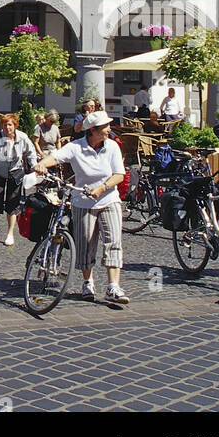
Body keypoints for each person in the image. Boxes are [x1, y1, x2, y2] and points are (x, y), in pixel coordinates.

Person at [35, 110, 129, 304]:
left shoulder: (112, 146)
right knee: (86, 243)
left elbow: (119, 175)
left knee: (113, 241)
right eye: (105, 126)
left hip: (108, 198)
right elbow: (56, 156)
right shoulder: (76, 147)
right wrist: (42, 164)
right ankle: (88, 282)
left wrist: (102, 187)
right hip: (83, 201)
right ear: (93, 130)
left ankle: (113, 287)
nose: (109, 129)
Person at [0, 112, 37, 246]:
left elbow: (31, 152)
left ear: (15, 125)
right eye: (5, 125)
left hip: (15, 173)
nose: (7, 127)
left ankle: (10, 234)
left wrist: (35, 167)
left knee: (12, 204)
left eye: (10, 125)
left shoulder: (22, 137)